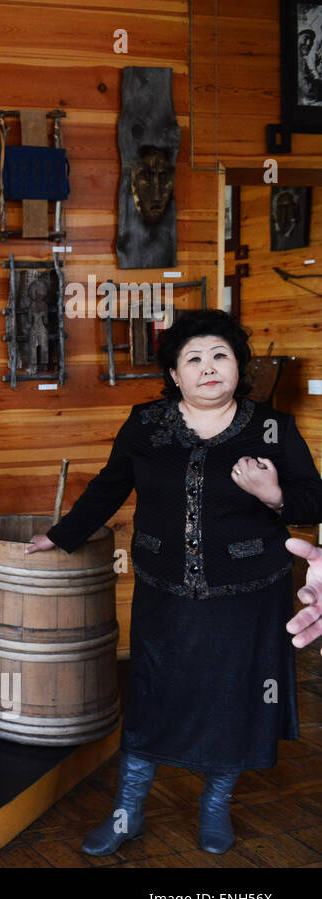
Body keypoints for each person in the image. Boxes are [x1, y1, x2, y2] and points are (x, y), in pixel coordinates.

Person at [25, 310, 322, 856]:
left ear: (239, 365)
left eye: (221, 356)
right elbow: (110, 486)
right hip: (165, 591)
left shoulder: (271, 426)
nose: (209, 368)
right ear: (175, 374)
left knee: (235, 702)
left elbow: (313, 499)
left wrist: (273, 494)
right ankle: (127, 812)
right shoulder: (146, 423)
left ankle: (214, 808)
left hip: (250, 595)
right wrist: (62, 535)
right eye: (194, 359)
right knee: (152, 697)